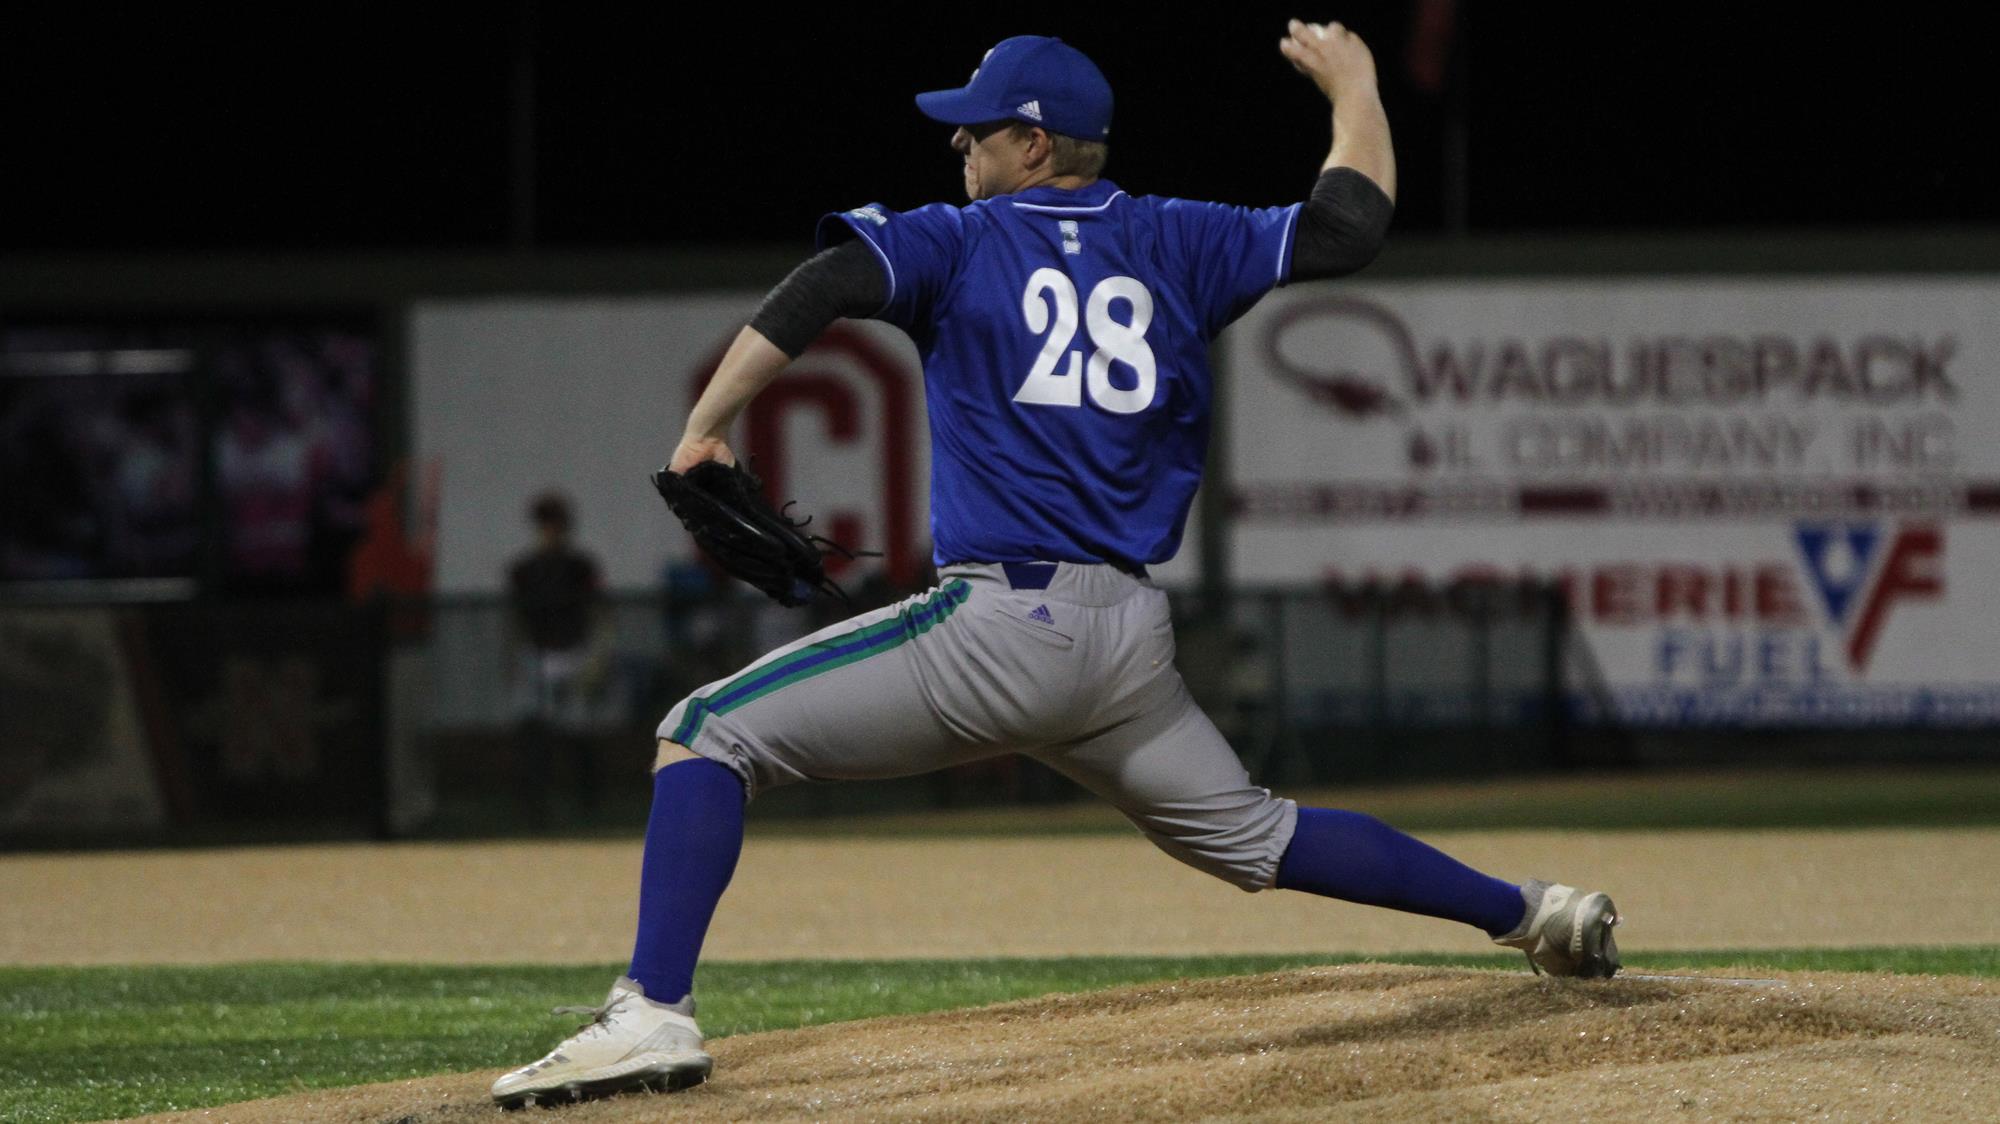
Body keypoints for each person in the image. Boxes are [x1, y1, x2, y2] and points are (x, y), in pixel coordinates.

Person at [492, 22, 1619, 1109]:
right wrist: (1355, 86)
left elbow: (827, 281)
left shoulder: (960, 240)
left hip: (1001, 625)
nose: (958, 142)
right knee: (1258, 834)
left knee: (705, 730)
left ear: (1033, 145)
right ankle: (1535, 914)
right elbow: (1347, 227)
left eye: (977, 127)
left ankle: (653, 1007)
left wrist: (706, 426)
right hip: (1126, 646)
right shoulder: (1182, 237)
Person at [504, 491, 608, 823]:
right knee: (535, 733)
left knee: (577, 732)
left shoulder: (580, 566)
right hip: (536, 656)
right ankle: (535, 804)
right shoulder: (524, 569)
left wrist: (596, 659)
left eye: (555, 522)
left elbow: (600, 614)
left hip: (573, 653)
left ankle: (588, 801)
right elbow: (515, 619)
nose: (550, 530)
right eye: (545, 523)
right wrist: (513, 659)